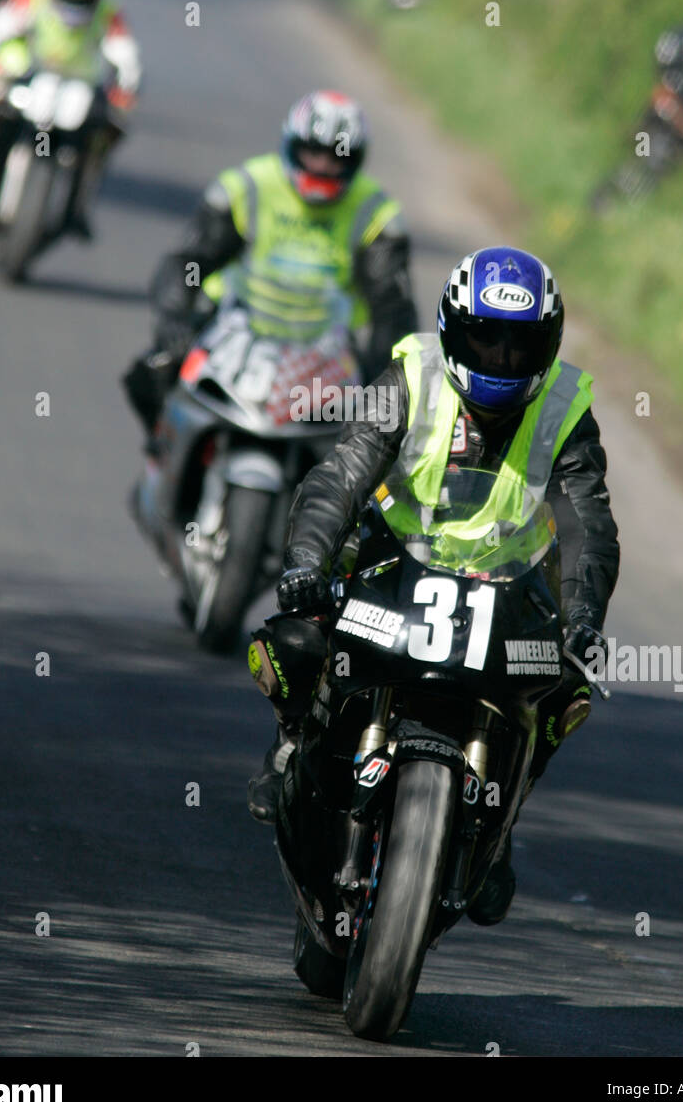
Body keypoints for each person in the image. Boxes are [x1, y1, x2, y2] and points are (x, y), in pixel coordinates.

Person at [247, 245, 620, 926]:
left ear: (549, 343)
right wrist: (306, 561)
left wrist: (585, 616)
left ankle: (501, 829)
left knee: (568, 688)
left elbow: (587, 525)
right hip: (389, 562)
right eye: (486, 336)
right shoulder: (413, 372)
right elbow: (342, 474)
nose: (501, 357)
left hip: (504, 591)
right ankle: (292, 745)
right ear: (453, 328)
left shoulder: (566, 406)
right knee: (297, 640)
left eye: (519, 343)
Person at [123, 89, 417, 435]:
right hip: (232, 328)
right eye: (313, 153)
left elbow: (392, 310)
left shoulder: (376, 214)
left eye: (336, 158)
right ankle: (161, 460)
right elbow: (190, 263)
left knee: (387, 423)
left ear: (355, 160)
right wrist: (175, 317)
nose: (322, 166)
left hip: (329, 348)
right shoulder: (245, 188)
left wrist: (384, 372)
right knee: (152, 370)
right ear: (292, 145)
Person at [0, 0, 141, 234]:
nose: (74, 5)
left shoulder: (107, 10)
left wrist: (126, 87)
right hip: (30, 75)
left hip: (83, 86)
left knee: (109, 131)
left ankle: (80, 201)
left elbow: (126, 54)